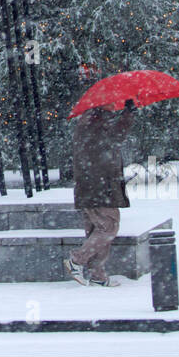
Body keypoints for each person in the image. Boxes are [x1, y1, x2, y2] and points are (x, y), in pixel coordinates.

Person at [65, 99, 135, 287]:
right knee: (109, 227)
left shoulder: (91, 120)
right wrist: (128, 114)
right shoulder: (96, 120)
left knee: (96, 230)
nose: (114, 106)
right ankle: (76, 261)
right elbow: (117, 136)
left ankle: (98, 274)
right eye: (111, 103)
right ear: (100, 103)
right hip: (99, 186)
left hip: (92, 185)